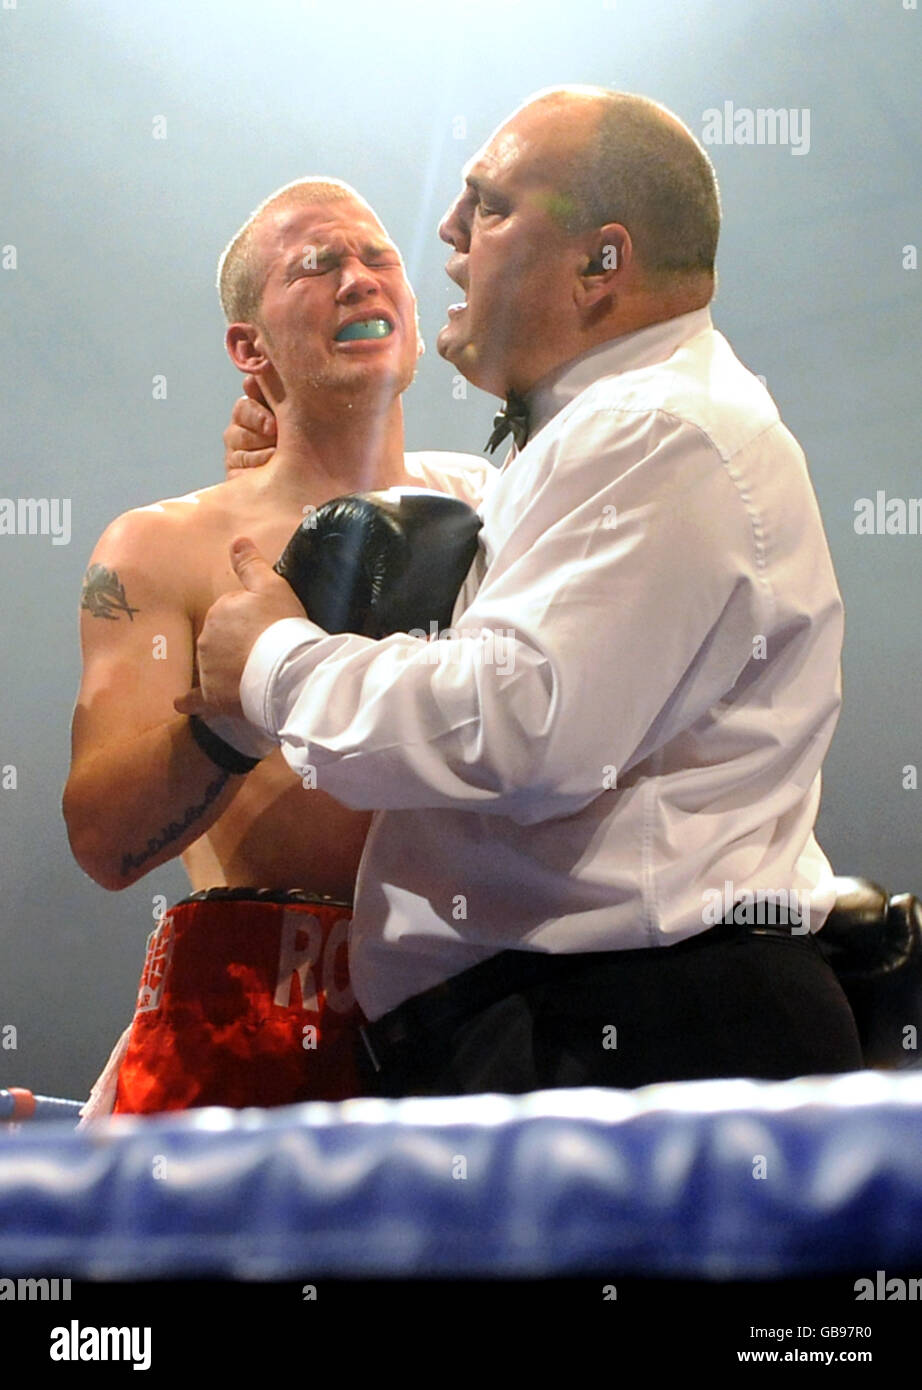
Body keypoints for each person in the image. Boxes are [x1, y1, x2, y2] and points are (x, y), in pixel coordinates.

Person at [181, 86, 863, 1096]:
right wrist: (312, 479)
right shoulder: (601, 438)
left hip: (626, 1030)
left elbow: (521, 725)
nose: (445, 236)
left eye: (489, 206)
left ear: (602, 264)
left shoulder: (654, 428)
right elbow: (519, 578)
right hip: (589, 1024)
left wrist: (273, 663)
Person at [63, 177, 492, 1115]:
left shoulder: (500, 513)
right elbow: (102, 839)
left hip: (480, 1006)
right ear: (248, 349)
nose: (359, 280)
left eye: (379, 257)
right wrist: (235, 716)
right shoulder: (163, 546)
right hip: (255, 1014)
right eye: (318, 264)